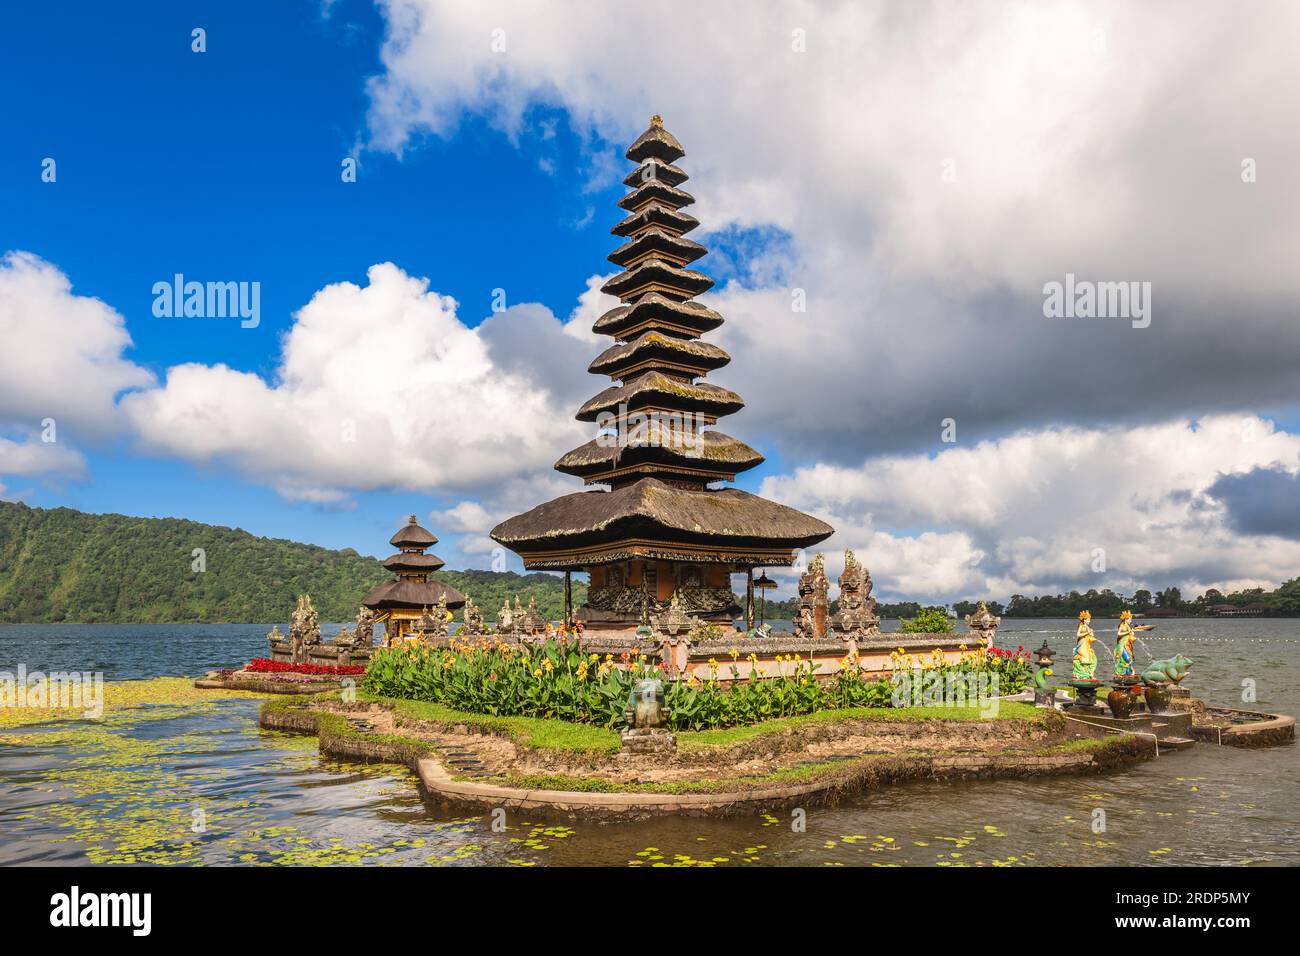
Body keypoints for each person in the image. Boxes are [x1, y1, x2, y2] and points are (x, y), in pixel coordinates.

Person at [1072, 610, 1098, 681]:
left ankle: (1089, 674)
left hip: (1087, 645)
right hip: (1082, 644)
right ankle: (1081, 675)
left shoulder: (1088, 627)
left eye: (1090, 619)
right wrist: (1087, 633)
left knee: (1093, 658)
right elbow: (1078, 635)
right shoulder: (1081, 626)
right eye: (1088, 620)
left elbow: (1092, 635)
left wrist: (1091, 632)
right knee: (1085, 657)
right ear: (1084, 620)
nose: (1089, 621)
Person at [1114, 610, 1136, 678]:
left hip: (1127, 645)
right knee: (1127, 659)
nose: (1131, 620)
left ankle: (1127, 673)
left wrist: (1131, 632)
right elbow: (1119, 634)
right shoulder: (1122, 625)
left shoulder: (1128, 626)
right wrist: (1128, 632)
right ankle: (1123, 673)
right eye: (1130, 619)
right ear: (1126, 619)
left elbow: (1130, 635)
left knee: (1130, 659)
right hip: (1122, 645)